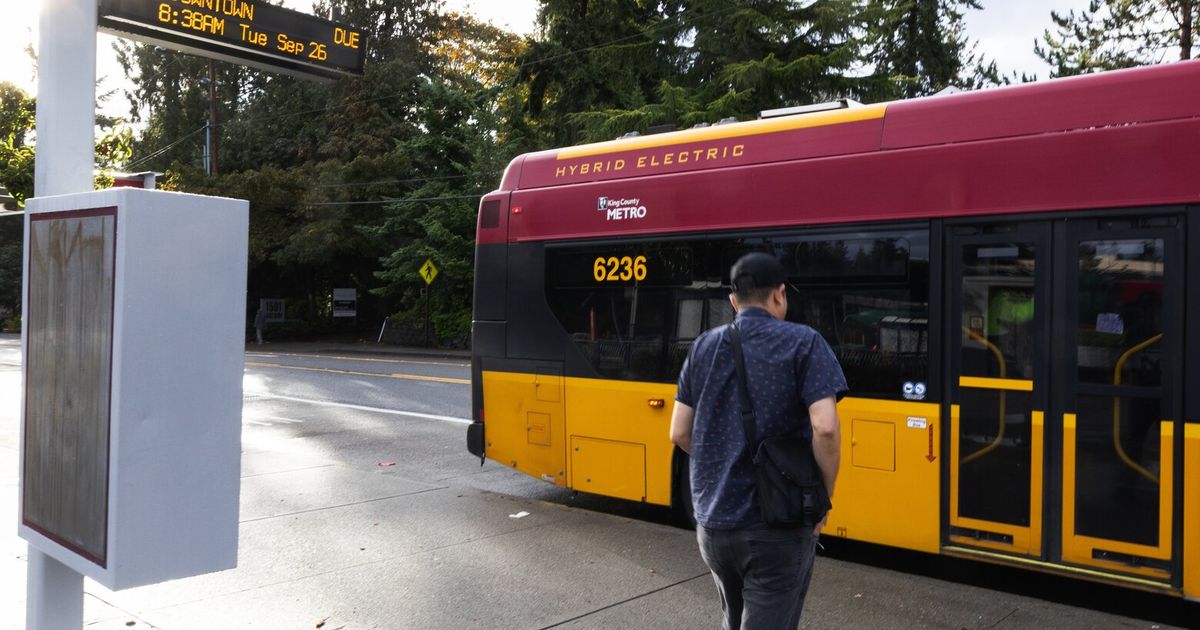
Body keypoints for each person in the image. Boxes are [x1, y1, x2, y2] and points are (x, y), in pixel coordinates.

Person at [669, 252, 846, 630]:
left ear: (733, 301)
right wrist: (820, 501)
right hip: (776, 527)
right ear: (779, 295)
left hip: (713, 525)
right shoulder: (805, 343)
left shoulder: (702, 346)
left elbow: (679, 432)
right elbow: (826, 428)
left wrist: (720, 463)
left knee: (732, 620)